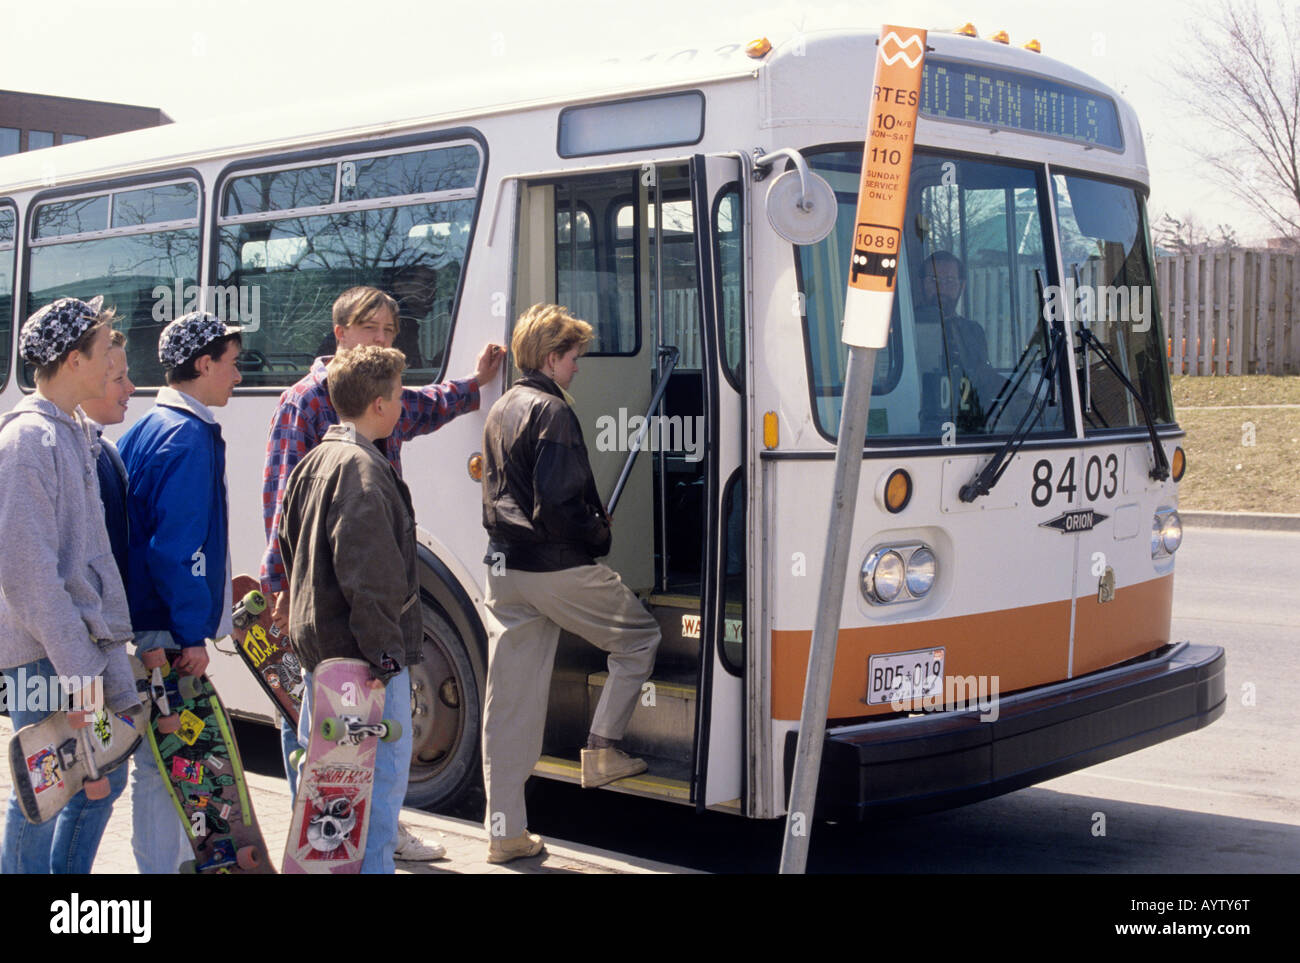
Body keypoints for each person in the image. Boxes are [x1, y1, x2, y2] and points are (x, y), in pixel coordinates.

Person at [259, 285, 503, 861]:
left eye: (391, 332)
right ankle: (357, 846)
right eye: (372, 329)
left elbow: (427, 404)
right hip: (341, 617)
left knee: (334, 744)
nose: (383, 340)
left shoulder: (365, 411)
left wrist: (473, 386)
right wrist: (280, 586)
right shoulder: (307, 408)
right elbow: (283, 508)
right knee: (358, 746)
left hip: (338, 618)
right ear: (340, 333)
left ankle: (348, 843)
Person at [479, 302, 661, 864]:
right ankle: (604, 748)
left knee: (509, 705)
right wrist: (600, 532)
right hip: (556, 567)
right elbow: (558, 504)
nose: (578, 366)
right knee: (640, 639)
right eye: (574, 356)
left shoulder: (503, 407)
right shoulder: (552, 412)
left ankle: (505, 833)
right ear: (552, 357)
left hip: (504, 571)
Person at [0, 296, 138, 874]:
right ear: (74, 359)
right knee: (45, 797)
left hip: (76, 656)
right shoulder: (29, 441)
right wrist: (85, 678)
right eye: (105, 349)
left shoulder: (70, 431)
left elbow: (93, 561)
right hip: (46, 661)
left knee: (93, 772)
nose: (113, 363)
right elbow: (31, 579)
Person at [277, 345, 421, 874]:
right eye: (401, 395)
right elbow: (373, 581)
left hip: (324, 660)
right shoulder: (364, 470)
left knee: (329, 799)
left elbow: (289, 549)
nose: (404, 404)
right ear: (380, 405)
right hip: (362, 668)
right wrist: (386, 661)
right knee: (373, 802)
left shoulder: (315, 460)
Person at [118, 310, 243, 873]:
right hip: (168, 628)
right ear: (204, 363)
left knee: (156, 759)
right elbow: (179, 548)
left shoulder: (145, 425)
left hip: (141, 618)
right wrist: (191, 633)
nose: (238, 377)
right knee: (167, 759)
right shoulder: (189, 436)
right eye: (233, 364)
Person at [914, 251, 1004, 431]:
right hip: (921, 425)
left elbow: (983, 378)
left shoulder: (973, 331)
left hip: (968, 427)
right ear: (922, 284)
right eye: (933, 280)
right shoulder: (908, 328)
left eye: (949, 281)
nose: (941, 288)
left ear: (961, 286)